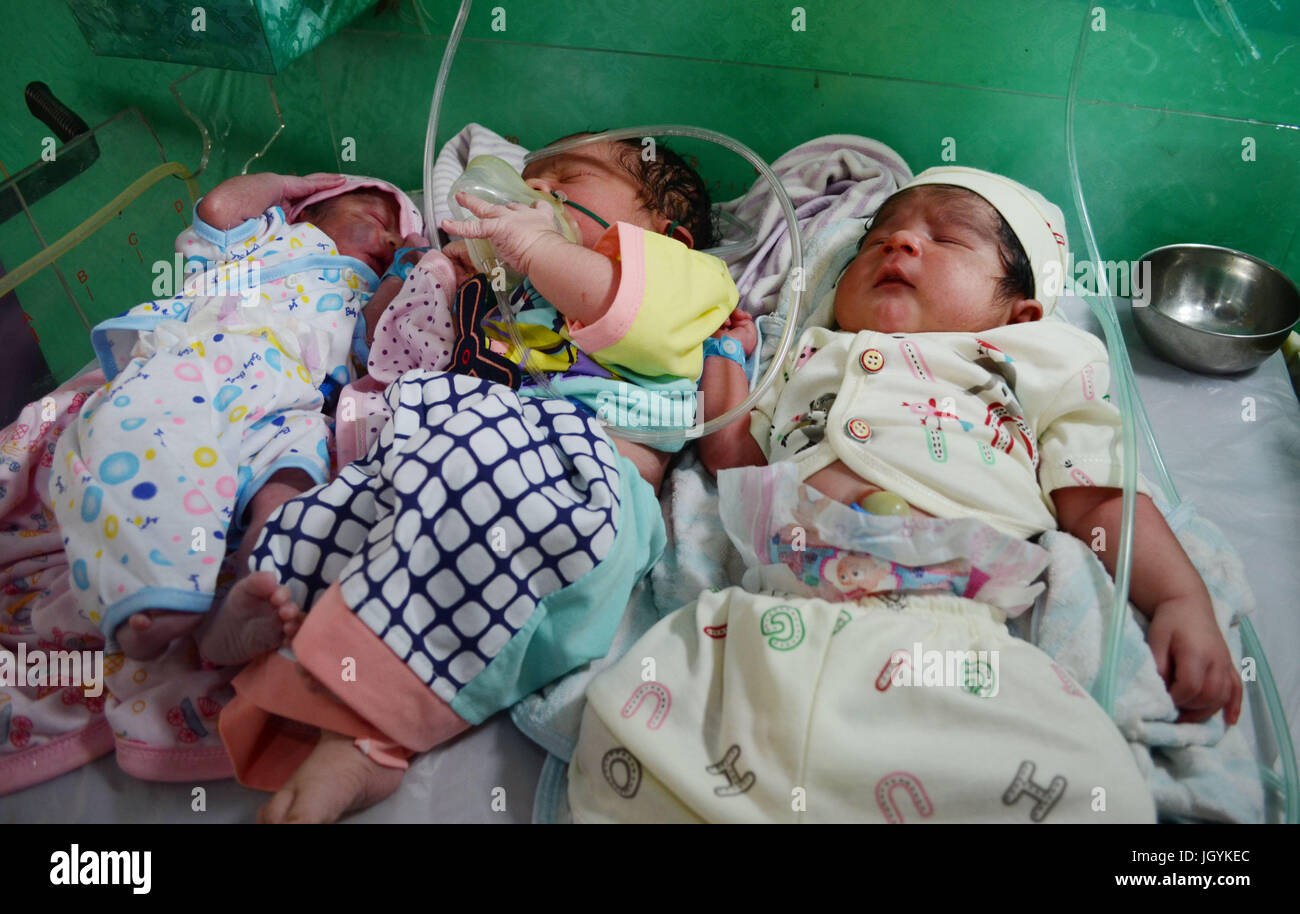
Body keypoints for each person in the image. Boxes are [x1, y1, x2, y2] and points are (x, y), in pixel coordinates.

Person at [566, 166, 1238, 823]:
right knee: (627, 727)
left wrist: (1181, 598)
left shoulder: (1035, 366)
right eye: (878, 237)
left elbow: (1098, 498)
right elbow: (733, 459)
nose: (900, 242)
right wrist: (728, 367)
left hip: (952, 635)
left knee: (1095, 784)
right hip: (773, 614)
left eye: (946, 238)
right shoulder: (808, 355)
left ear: (1021, 312)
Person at [213, 136, 743, 824]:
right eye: (527, 181)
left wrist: (533, 247)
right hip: (449, 443)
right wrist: (426, 278)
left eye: (563, 183)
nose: (529, 195)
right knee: (348, 503)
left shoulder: (686, 278)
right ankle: (261, 607)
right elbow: (388, 349)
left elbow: (623, 307)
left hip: (574, 479)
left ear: (660, 232)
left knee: (471, 486)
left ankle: (367, 735)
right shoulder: (502, 285)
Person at [51, 171, 427, 663]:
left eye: (398, 235)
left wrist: (407, 268)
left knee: (291, 488)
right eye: (376, 219)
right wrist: (287, 185)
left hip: (297, 400)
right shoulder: (275, 236)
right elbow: (218, 209)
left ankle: (255, 582)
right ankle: (151, 589)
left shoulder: (365, 290)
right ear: (311, 210)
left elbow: (384, 334)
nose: (391, 237)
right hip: (208, 359)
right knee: (134, 427)